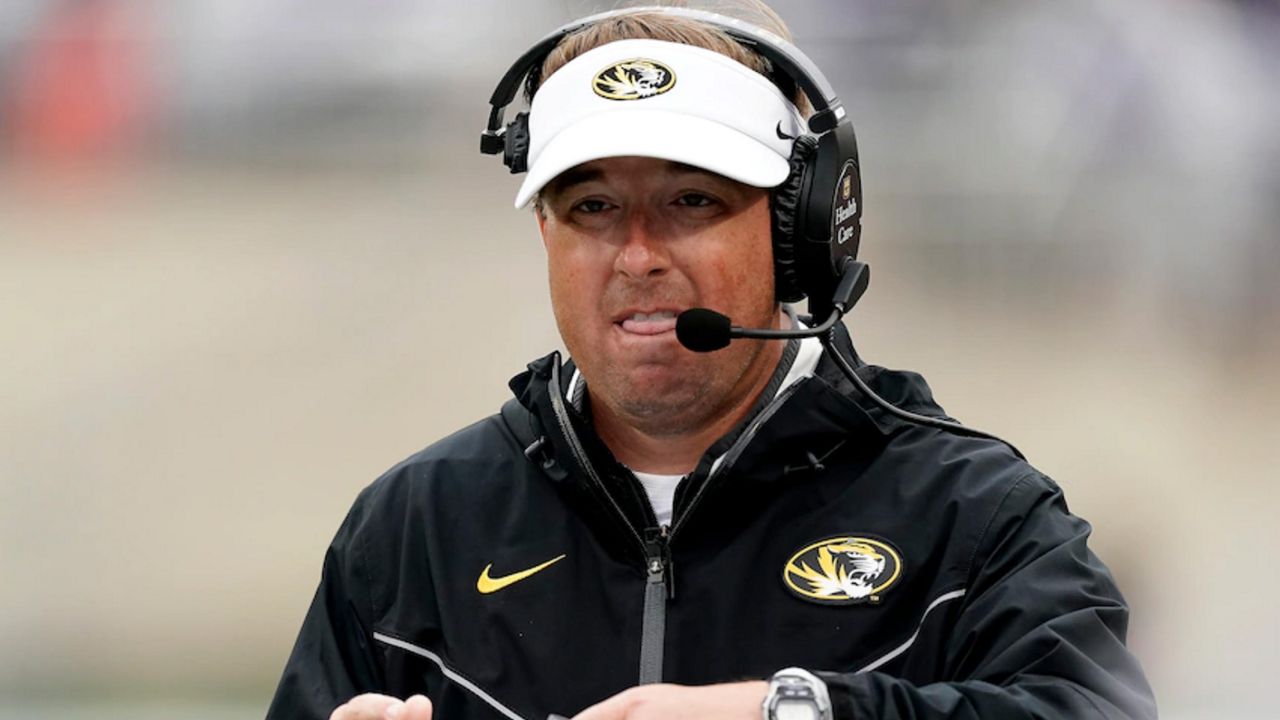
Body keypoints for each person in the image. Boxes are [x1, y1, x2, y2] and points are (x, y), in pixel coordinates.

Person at [267, 3, 1156, 719]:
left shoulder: (973, 519)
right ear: (543, 230)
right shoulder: (412, 532)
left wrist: (795, 713)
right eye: (592, 208)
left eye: (692, 200)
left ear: (802, 230)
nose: (638, 254)